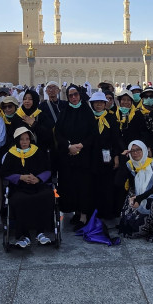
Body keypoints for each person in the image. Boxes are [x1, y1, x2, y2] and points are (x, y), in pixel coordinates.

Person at [1, 126, 55, 248]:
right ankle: (24, 235)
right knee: (20, 200)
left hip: (38, 186)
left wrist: (38, 178)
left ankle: (41, 232)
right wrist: (20, 177)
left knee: (47, 196)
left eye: (27, 139)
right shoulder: (11, 154)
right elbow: (5, 173)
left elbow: (48, 170)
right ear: (17, 141)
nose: (24, 142)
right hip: (19, 187)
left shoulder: (37, 152)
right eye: (21, 139)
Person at [55, 83, 96, 228]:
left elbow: (93, 132)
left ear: (80, 95)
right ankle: (76, 213)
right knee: (71, 185)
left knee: (84, 185)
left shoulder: (87, 112)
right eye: (70, 95)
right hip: (68, 156)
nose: (73, 98)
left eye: (76, 95)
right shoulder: (64, 112)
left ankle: (84, 216)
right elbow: (58, 133)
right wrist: (68, 146)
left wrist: (81, 145)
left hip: (84, 157)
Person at [88, 89, 123, 220]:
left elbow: (115, 138)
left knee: (107, 185)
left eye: (101, 102)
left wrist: (116, 156)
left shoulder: (111, 117)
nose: (98, 105)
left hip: (107, 155)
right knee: (93, 185)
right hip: (92, 156)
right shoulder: (89, 117)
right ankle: (94, 211)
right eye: (96, 102)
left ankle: (107, 211)